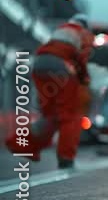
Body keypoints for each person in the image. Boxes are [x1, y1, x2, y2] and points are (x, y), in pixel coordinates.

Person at [5, 14, 93, 168]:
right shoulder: (82, 33)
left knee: (50, 116)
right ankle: (66, 158)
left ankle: (19, 144)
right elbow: (81, 58)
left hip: (39, 66)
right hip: (59, 68)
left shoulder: (60, 30)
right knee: (70, 115)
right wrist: (84, 79)